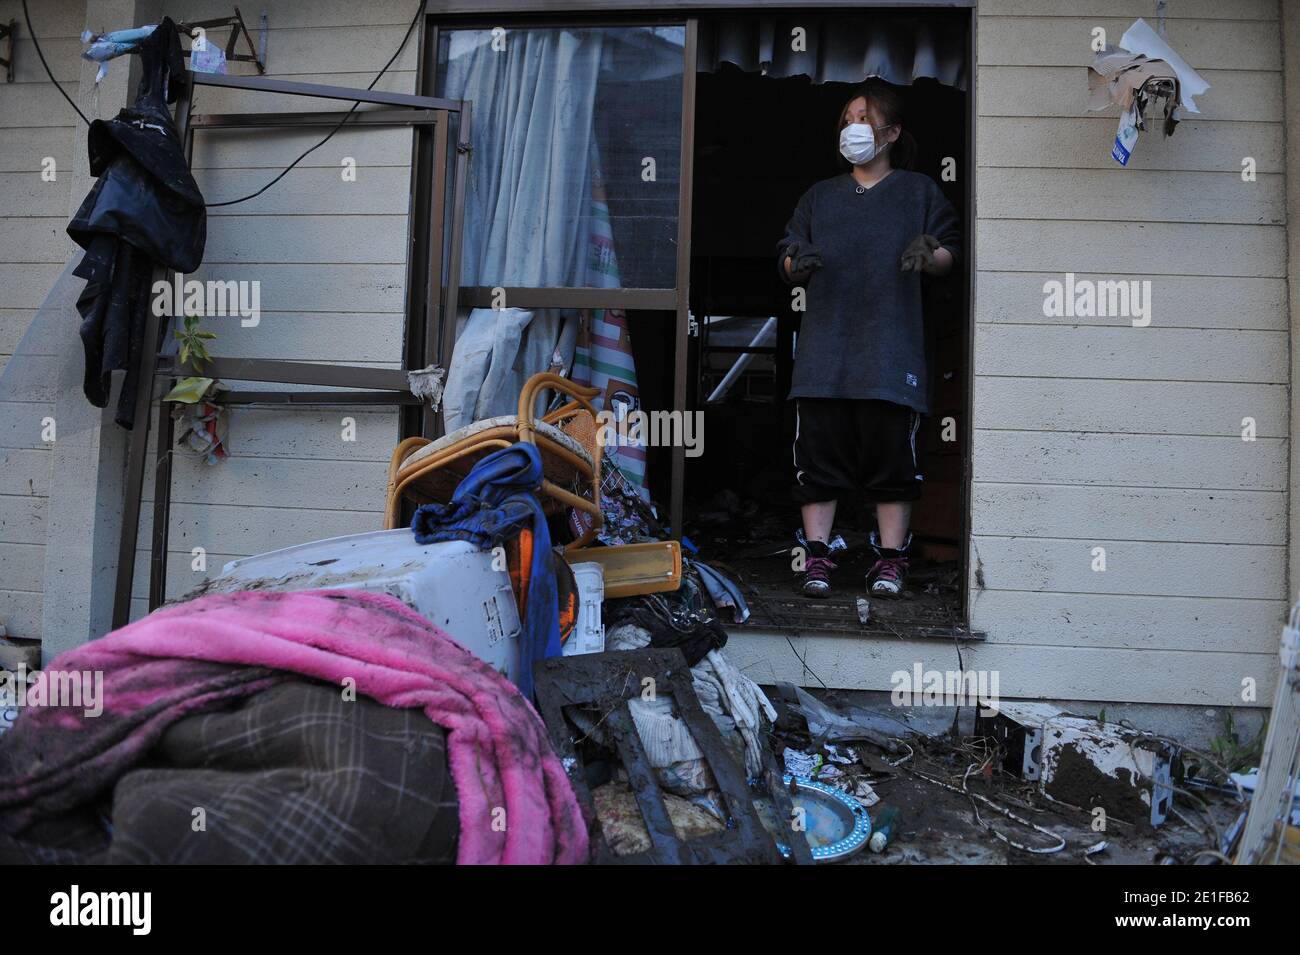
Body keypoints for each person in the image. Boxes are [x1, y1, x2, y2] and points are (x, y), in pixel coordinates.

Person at [777, 79, 960, 599]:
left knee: (892, 466)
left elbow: (949, 251)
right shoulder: (819, 197)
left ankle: (890, 561)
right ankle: (817, 558)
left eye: (866, 118)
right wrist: (795, 263)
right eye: (848, 119)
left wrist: (933, 256)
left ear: (893, 131)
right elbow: (789, 254)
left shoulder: (919, 191)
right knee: (817, 464)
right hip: (822, 358)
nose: (854, 128)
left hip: (890, 354)